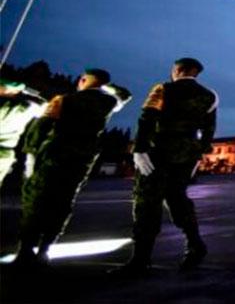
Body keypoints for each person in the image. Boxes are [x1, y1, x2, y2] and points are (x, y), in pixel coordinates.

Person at [13, 69, 129, 268]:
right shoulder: (107, 103)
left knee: (36, 201)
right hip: (81, 159)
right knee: (62, 202)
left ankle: (25, 249)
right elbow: (124, 95)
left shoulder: (64, 100)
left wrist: (29, 156)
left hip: (54, 155)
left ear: (83, 80)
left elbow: (40, 128)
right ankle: (45, 249)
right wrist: (103, 86)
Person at [113, 58, 218, 276]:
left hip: (159, 150)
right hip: (186, 154)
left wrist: (139, 149)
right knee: (177, 198)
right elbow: (209, 130)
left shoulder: (163, 89)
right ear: (196, 73)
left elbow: (147, 119)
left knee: (146, 201)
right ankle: (195, 244)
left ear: (177, 70)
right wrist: (197, 154)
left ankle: (141, 259)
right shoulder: (209, 96)